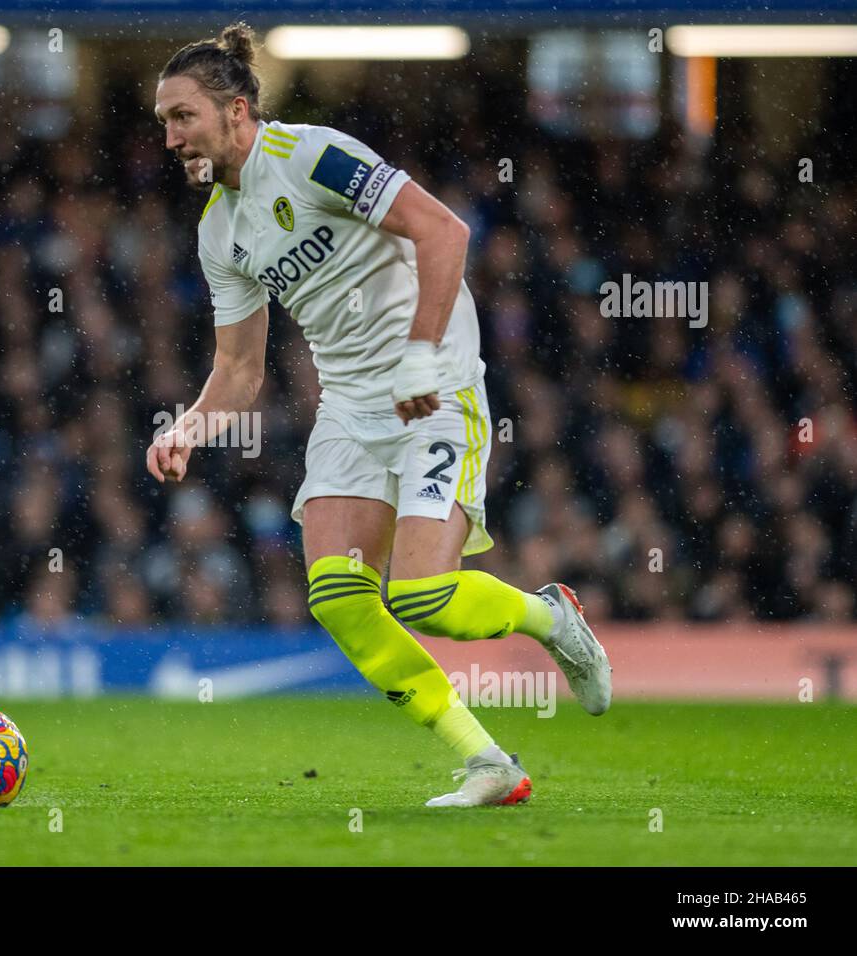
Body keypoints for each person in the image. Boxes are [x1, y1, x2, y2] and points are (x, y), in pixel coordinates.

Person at [145, 22, 613, 807]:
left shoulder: (313, 156)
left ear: (234, 110)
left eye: (181, 115)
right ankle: (489, 763)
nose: (170, 137)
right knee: (338, 598)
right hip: (352, 409)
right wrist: (189, 425)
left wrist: (423, 352)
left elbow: (443, 230)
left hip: (434, 386)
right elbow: (238, 368)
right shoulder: (219, 230)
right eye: (162, 122)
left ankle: (551, 618)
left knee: (424, 596)